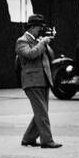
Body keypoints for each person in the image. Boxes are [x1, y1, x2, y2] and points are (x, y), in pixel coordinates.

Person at [15, 14, 61, 149]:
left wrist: (44, 43)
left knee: (41, 111)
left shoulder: (37, 40)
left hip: (43, 80)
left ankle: (28, 138)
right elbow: (30, 54)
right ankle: (47, 141)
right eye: (39, 28)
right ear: (32, 27)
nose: (40, 30)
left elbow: (50, 56)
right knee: (42, 112)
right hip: (32, 81)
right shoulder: (22, 41)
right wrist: (42, 43)